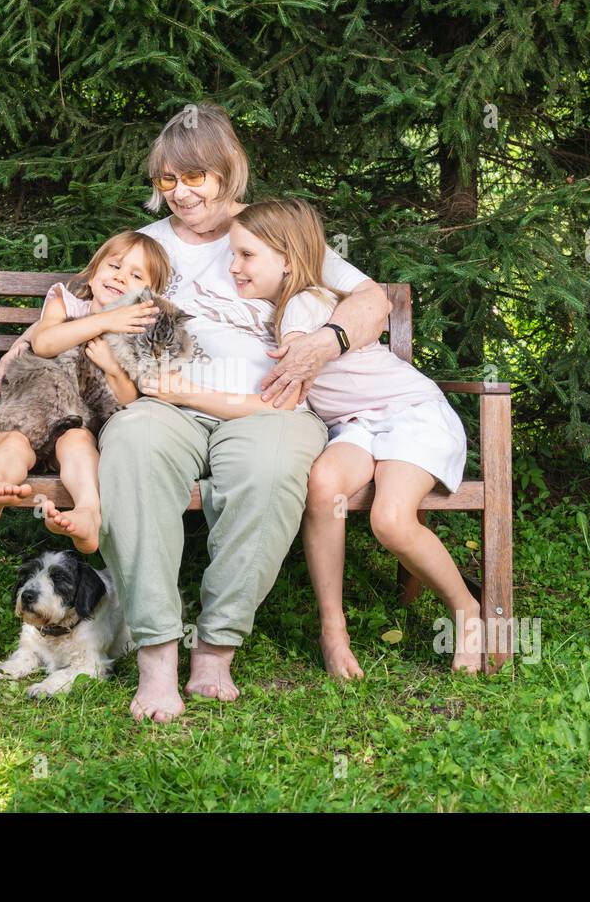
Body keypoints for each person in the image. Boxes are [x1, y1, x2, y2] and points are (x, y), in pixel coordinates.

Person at [0, 103, 391, 722]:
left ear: (228, 172)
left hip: (267, 404)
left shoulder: (272, 233)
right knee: (135, 448)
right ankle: (157, 655)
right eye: (166, 180)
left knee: (274, 468)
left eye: (194, 177)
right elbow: (82, 304)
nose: (180, 193)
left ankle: (216, 650)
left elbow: (371, 299)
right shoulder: (153, 248)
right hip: (164, 401)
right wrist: (23, 348)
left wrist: (325, 342)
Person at [159, 199, 477, 677]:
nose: (234, 266)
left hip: (408, 415)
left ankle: (467, 610)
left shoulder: (303, 305)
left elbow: (282, 393)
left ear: (287, 259)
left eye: (247, 256)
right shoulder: (279, 302)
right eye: (232, 255)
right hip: (354, 427)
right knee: (323, 485)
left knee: (390, 520)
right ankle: (333, 627)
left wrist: (182, 392)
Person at [0, 230, 169, 554]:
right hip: (31, 401)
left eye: (136, 276)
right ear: (93, 273)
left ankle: (88, 512)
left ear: (149, 299)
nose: (120, 278)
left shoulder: (138, 332)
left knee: (79, 445)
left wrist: (112, 366)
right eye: (114, 266)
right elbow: (45, 343)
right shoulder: (68, 300)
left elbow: (128, 400)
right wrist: (106, 320)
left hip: (78, 419)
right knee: (13, 446)